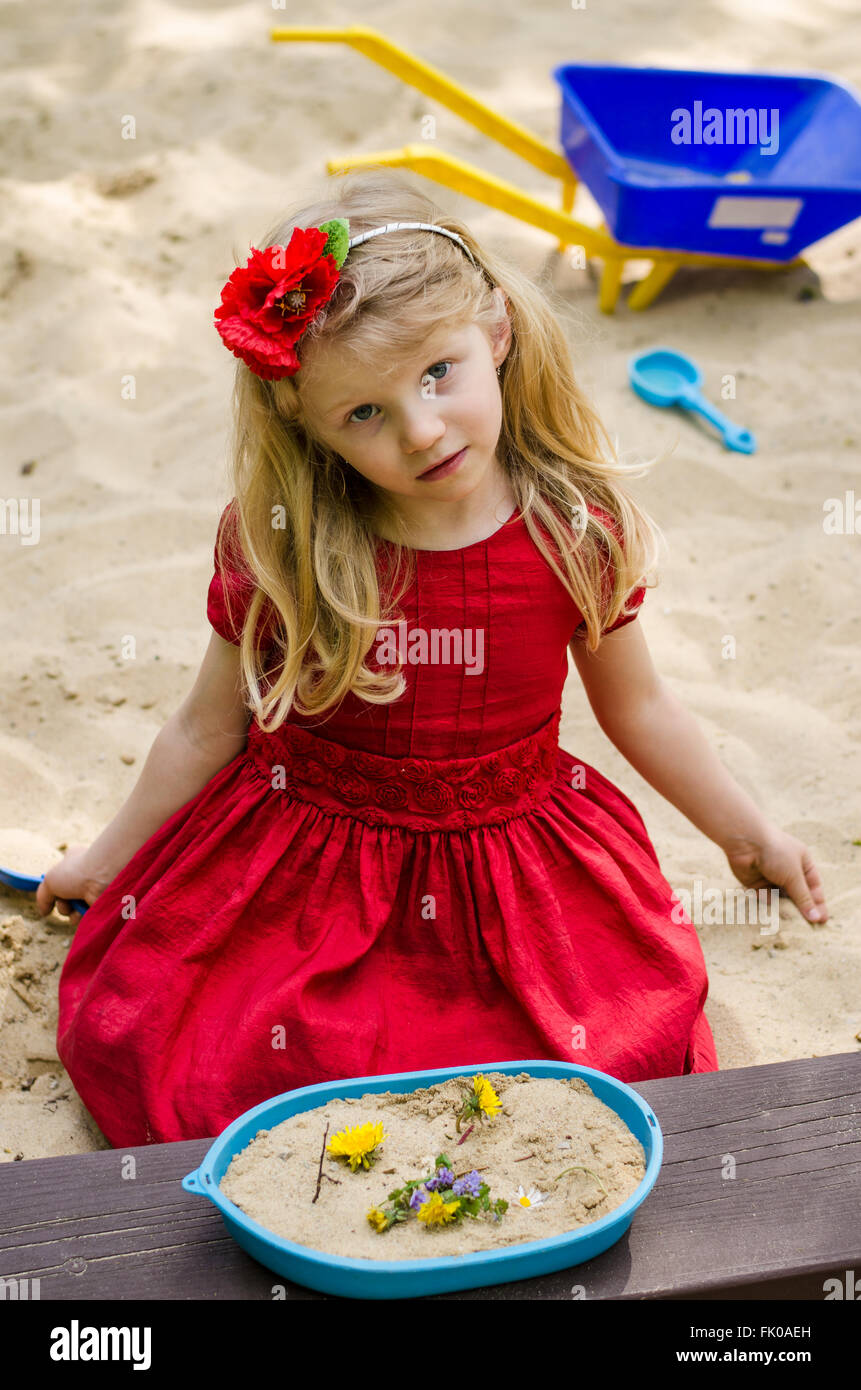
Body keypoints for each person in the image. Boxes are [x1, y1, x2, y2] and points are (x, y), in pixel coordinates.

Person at [39, 171, 828, 1147]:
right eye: (361, 414)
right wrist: (104, 861)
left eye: (437, 374)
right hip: (308, 869)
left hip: (518, 874)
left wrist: (748, 835)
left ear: (494, 329)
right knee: (228, 1061)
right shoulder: (285, 540)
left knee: (599, 1061)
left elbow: (644, 707)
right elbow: (207, 724)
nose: (419, 429)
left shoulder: (572, 528)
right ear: (306, 421)